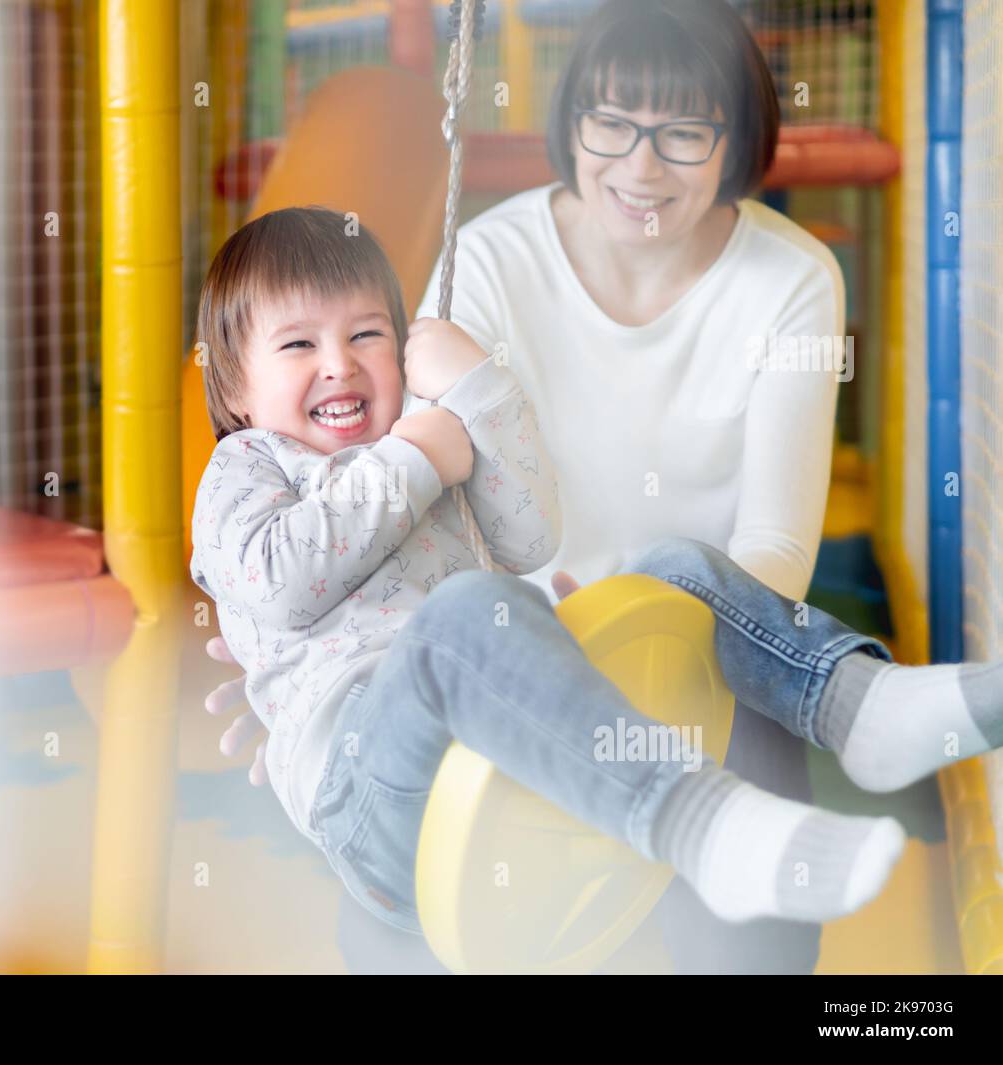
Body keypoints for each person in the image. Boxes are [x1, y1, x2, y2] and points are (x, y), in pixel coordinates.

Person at [204, 0, 871, 972]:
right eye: (612, 123)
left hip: (687, 641)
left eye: (683, 133)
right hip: (505, 654)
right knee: (424, 897)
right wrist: (311, 670)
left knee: (739, 838)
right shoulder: (490, 259)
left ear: (736, 141)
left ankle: (829, 721)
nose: (640, 167)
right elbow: (380, 485)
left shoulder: (790, 278)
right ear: (574, 123)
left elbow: (773, 551)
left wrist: (621, 625)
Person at [190, 206, 1003, 951]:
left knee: (668, 570)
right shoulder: (248, 465)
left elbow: (531, 534)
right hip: (373, 795)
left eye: (367, 335)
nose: (340, 364)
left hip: (504, 763)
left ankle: (854, 701)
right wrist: (415, 459)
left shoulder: (421, 432)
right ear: (232, 386)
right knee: (464, 617)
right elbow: (280, 579)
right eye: (300, 345)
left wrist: (478, 393)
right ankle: (698, 824)